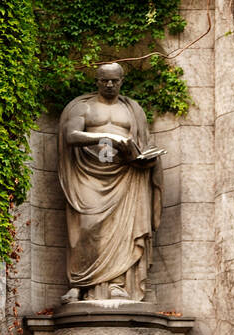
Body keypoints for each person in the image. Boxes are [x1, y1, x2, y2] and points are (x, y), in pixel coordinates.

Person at [57, 62, 163, 303]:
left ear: (121, 81)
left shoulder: (132, 110)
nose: (109, 84)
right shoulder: (83, 107)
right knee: (86, 226)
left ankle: (117, 283)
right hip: (88, 174)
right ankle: (79, 284)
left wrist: (145, 157)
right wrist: (110, 136)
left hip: (125, 174)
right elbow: (70, 136)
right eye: (104, 80)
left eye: (114, 80)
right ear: (97, 81)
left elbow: (142, 142)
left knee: (123, 229)